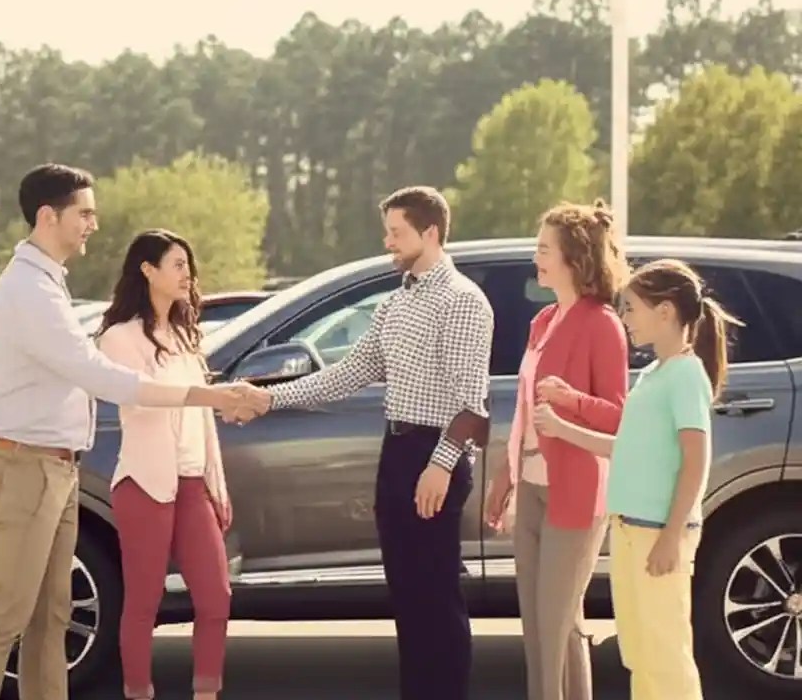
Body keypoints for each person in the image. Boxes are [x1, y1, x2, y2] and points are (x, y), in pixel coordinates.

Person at [0, 163, 249, 700]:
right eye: (84, 213)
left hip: (56, 468)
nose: (94, 223)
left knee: (51, 617)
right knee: (3, 615)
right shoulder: (29, 291)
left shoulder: (47, 284)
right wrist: (206, 394)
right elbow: (102, 377)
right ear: (49, 216)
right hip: (25, 467)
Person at [230, 186, 494, 700]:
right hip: (396, 456)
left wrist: (440, 466)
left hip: (435, 457)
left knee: (437, 600)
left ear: (431, 233)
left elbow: (473, 405)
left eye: (397, 232)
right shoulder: (395, 303)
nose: (388, 241)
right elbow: (349, 373)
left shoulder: (463, 302)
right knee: (409, 601)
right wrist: (267, 399)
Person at [534, 258, 740, 700]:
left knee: (665, 654)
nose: (624, 319)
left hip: (656, 536)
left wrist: (670, 535)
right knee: (640, 652)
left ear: (665, 312)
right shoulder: (653, 375)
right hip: (628, 531)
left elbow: (696, 459)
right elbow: (624, 448)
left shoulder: (685, 376)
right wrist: (561, 425)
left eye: (631, 308)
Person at [482, 200, 629, 700]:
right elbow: (525, 409)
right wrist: (504, 476)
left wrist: (571, 401)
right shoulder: (543, 320)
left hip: (576, 495)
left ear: (574, 257)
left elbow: (619, 413)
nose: (536, 258)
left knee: (553, 624)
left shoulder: (602, 323)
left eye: (544, 249)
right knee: (548, 627)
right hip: (533, 490)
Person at [96, 229, 233, 700]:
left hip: (194, 485)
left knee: (216, 599)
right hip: (144, 486)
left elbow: (203, 419)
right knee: (143, 603)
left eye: (187, 265)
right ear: (147, 270)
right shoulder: (118, 338)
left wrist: (217, 483)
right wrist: (208, 394)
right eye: (176, 263)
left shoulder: (186, 335)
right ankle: (139, 692)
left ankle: (206, 694)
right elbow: (143, 397)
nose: (187, 274)